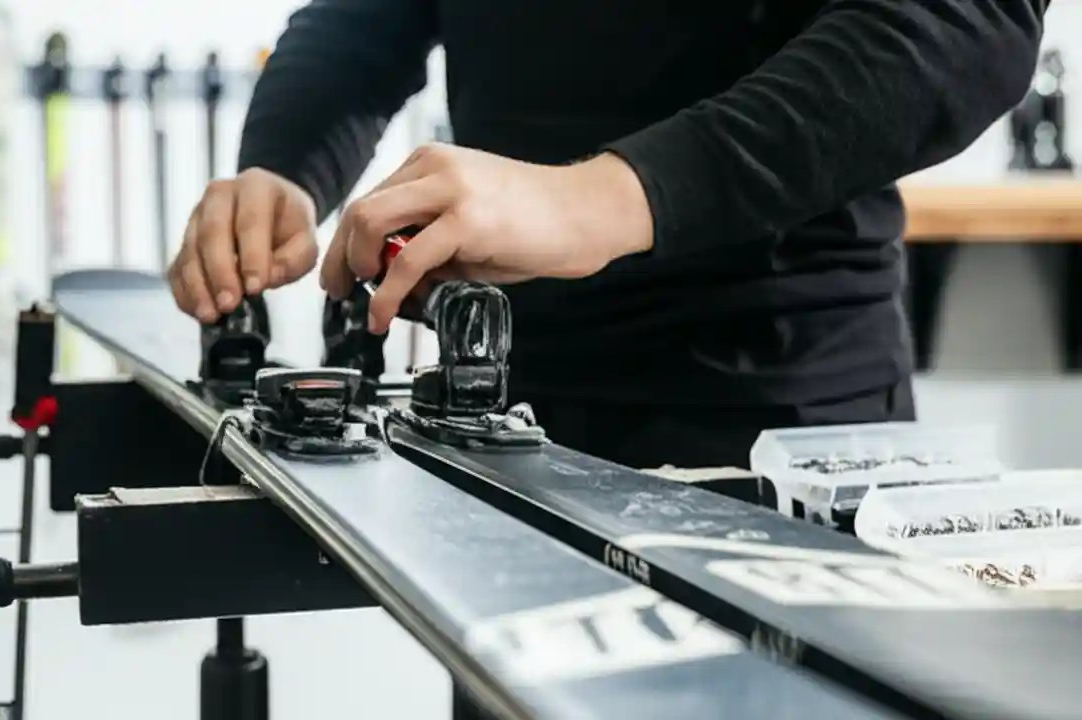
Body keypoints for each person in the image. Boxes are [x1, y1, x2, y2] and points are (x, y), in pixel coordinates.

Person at [168, 0, 1048, 468]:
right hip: (508, 412)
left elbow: (960, 18)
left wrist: (602, 201)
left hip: (770, 414)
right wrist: (285, 166)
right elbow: (370, 19)